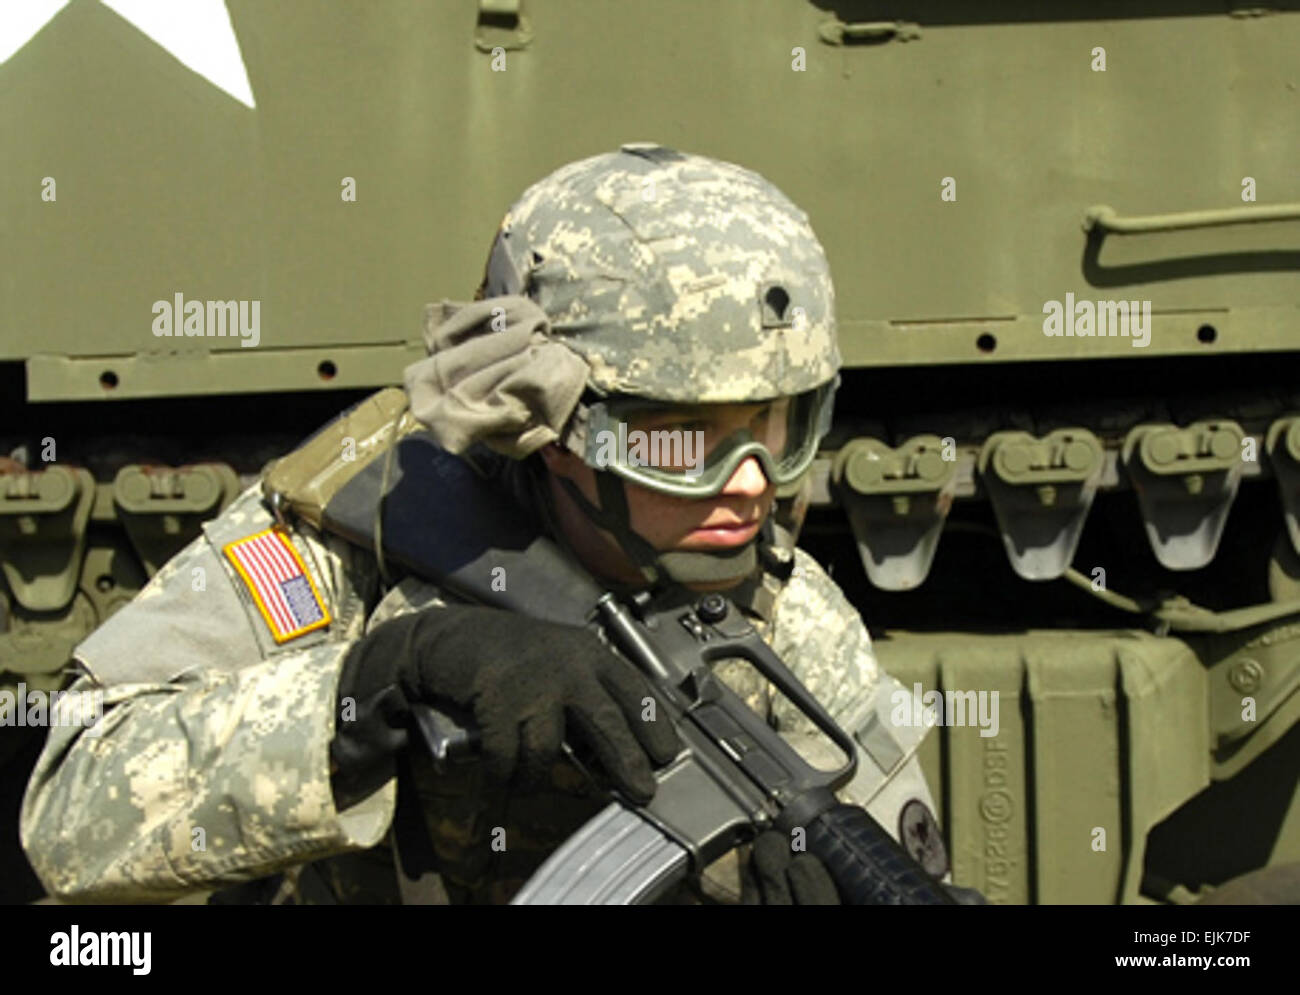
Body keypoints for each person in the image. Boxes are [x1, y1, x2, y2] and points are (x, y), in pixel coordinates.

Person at [20, 144, 948, 905]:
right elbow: (67, 810)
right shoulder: (370, 529)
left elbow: (884, 851)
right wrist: (374, 686)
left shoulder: (782, 610)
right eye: (679, 441)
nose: (750, 485)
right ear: (546, 424)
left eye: (777, 429)